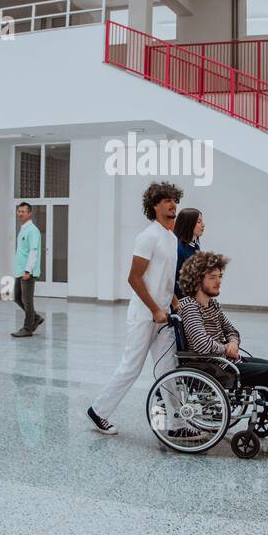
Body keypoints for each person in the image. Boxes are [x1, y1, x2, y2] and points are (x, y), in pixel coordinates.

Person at [178, 252, 268, 451]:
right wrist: (226, 348)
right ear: (197, 280)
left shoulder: (212, 305)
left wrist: (232, 343)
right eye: (212, 278)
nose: (218, 282)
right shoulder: (190, 307)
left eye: (220, 277)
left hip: (226, 361)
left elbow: (231, 330)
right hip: (214, 368)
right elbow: (201, 344)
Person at [86, 181, 183, 435]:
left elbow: (165, 278)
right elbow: (134, 277)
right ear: (154, 205)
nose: (173, 204)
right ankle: (98, 411)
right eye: (167, 200)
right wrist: (154, 309)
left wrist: (174, 303)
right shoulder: (148, 237)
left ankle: (176, 423)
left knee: (167, 367)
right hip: (144, 314)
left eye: (175, 200)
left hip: (163, 315)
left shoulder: (171, 238)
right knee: (132, 366)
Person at [11, 202, 44, 338]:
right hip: (20, 271)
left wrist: (28, 270)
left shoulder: (32, 230)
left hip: (27, 272)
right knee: (17, 297)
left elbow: (33, 251)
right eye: (19, 211)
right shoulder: (23, 229)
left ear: (30, 213)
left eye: (23, 211)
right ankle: (35, 318)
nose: (20, 214)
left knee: (27, 299)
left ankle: (27, 328)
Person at [173, 207, 204, 299]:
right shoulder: (178, 249)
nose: (203, 225)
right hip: (180, 301)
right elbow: (172, 280)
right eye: (199, 222)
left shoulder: (195, 246)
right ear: (188, 224)